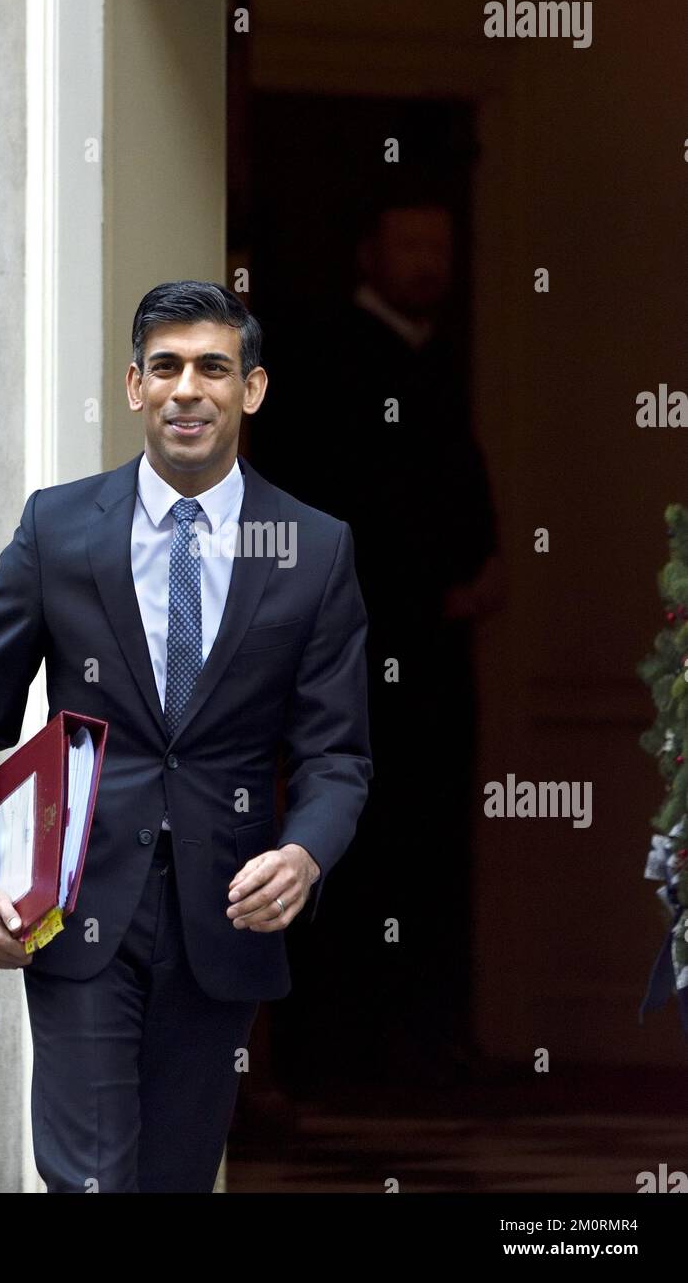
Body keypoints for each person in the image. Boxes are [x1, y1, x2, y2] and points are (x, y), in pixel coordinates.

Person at [0, 280, 373, 1191]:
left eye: (213, 368)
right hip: (76, 909)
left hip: (224, 920)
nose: (186, 389)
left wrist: (304, 855)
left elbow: (336, 754)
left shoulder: (313, 548)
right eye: (164, 367)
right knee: (90, 1177)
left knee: (175, 1178)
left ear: (251, 389)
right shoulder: (56, 530)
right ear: (134, 387)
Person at [254, 188, 503, 1087]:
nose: (428, 263)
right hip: (363, 651)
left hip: (435, 654)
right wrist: (422, 591)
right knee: (362, 838)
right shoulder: (330, 356)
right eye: (409, 245)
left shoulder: (435, 353)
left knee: (432, 838)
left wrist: (481, 565)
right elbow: (343, 509)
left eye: (440, 245)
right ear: (368, 253)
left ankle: (424, 1039)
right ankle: (350, 1049)